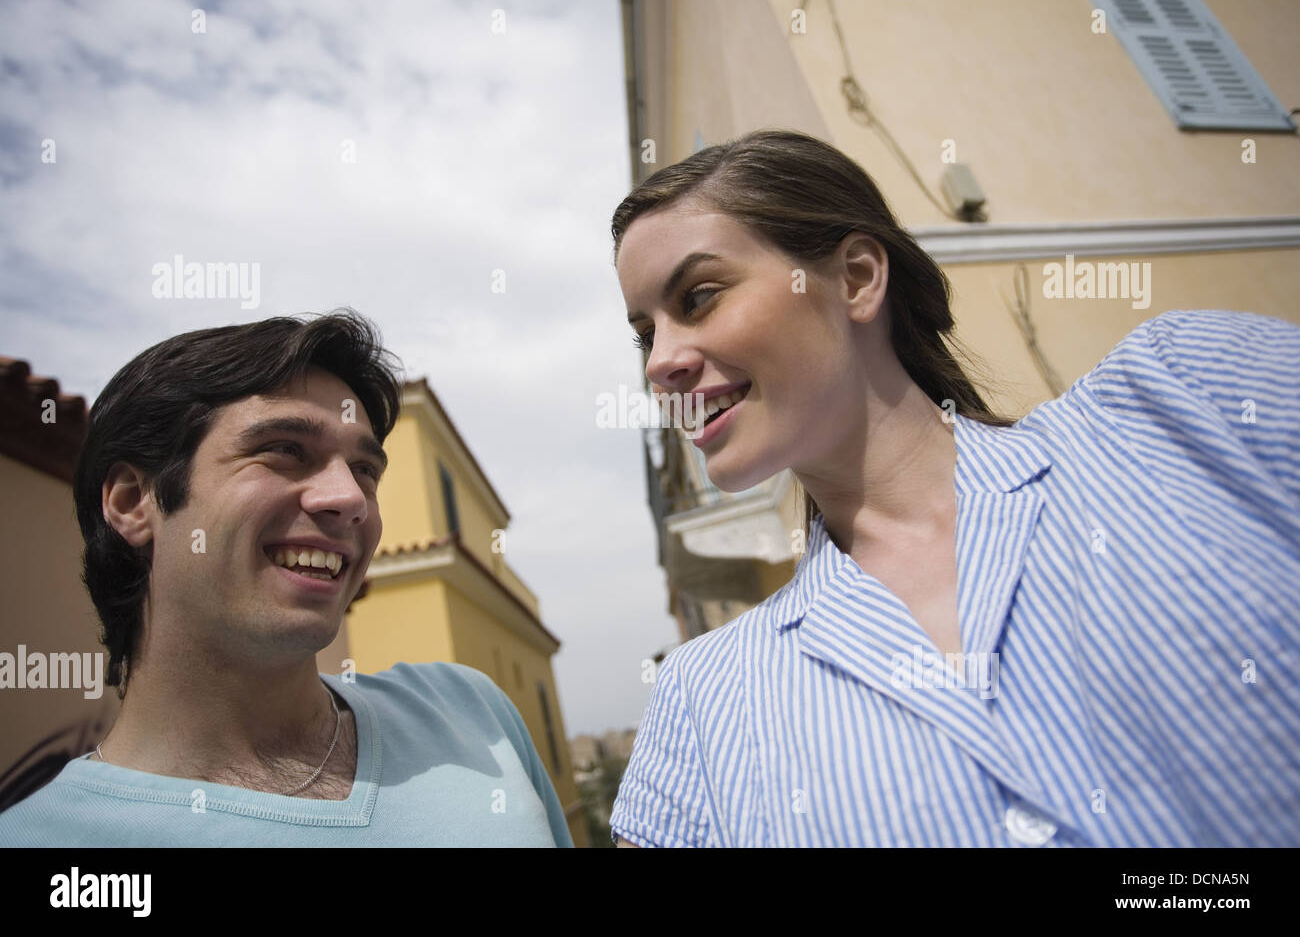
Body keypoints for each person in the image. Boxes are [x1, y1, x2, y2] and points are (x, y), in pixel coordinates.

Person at [608, 128, 1300, 847]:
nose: (661, 363)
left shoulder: (1183, 399)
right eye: (643, 334)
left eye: (700, 296)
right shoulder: (700, 704)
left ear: (856, 278)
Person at [0, 311, 572, 847]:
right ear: (132, 502)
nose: (350, 499)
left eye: (366, 470)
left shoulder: (473, 714)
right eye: (284, 451)